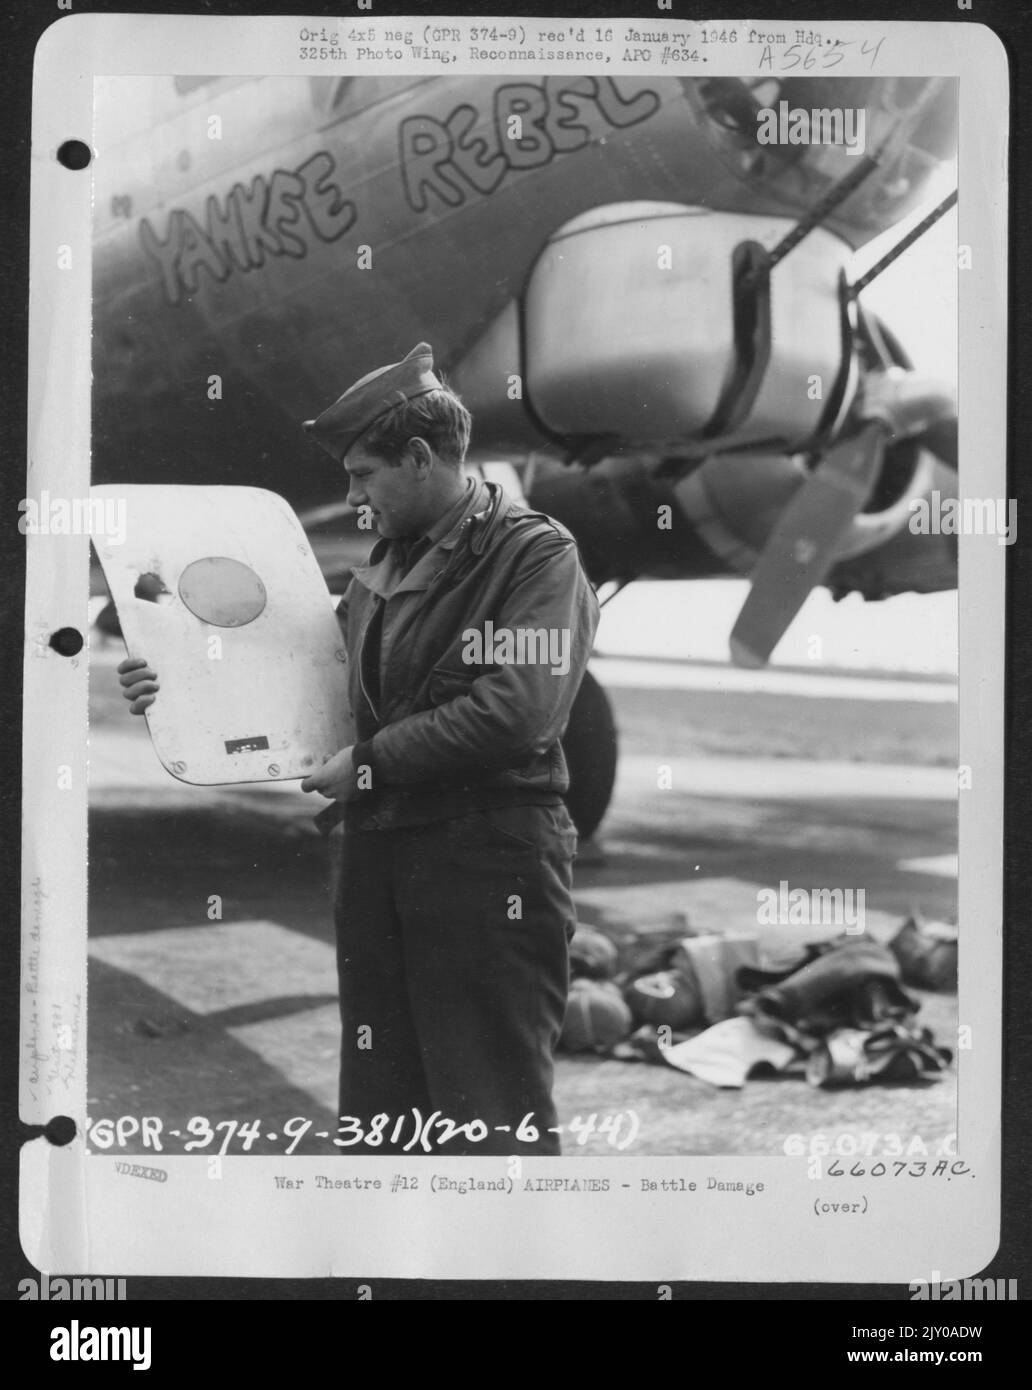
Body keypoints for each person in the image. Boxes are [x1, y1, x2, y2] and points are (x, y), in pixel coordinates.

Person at [118, 342, 600, 1157]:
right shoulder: (382, 567)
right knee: (381, 1120)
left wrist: (370, 764)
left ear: (419, 458)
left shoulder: (536, 553)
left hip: (488, 864)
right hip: (378, 859)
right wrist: (170, 684)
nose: (351, 496)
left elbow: (518, 711)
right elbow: (305, 682)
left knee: (487, 1120)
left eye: (364, 475)